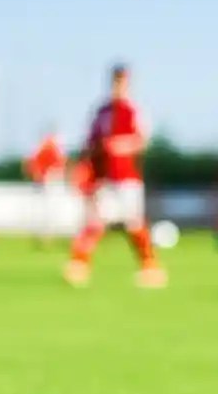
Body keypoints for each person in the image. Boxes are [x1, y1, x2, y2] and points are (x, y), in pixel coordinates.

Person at [64, 64, 166, 288]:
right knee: (96, 221)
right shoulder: (101, 112)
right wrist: (84, 169)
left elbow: (142, 141)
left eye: (123, 82)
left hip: (127, 178)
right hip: (106, 178)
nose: (119, 86)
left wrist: (121, 145)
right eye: (116, 81)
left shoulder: (134, 111)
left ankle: (151, 267)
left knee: (133, 223)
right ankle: (79, 265)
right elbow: (90, 145)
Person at [23, 129, 68, 247]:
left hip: (48, 183)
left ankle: (46, 235)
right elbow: (33, 166)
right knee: (46, 210)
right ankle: (45, 235)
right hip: (47, 183)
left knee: (47, 210)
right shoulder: (47, 149)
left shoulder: (46, 149)